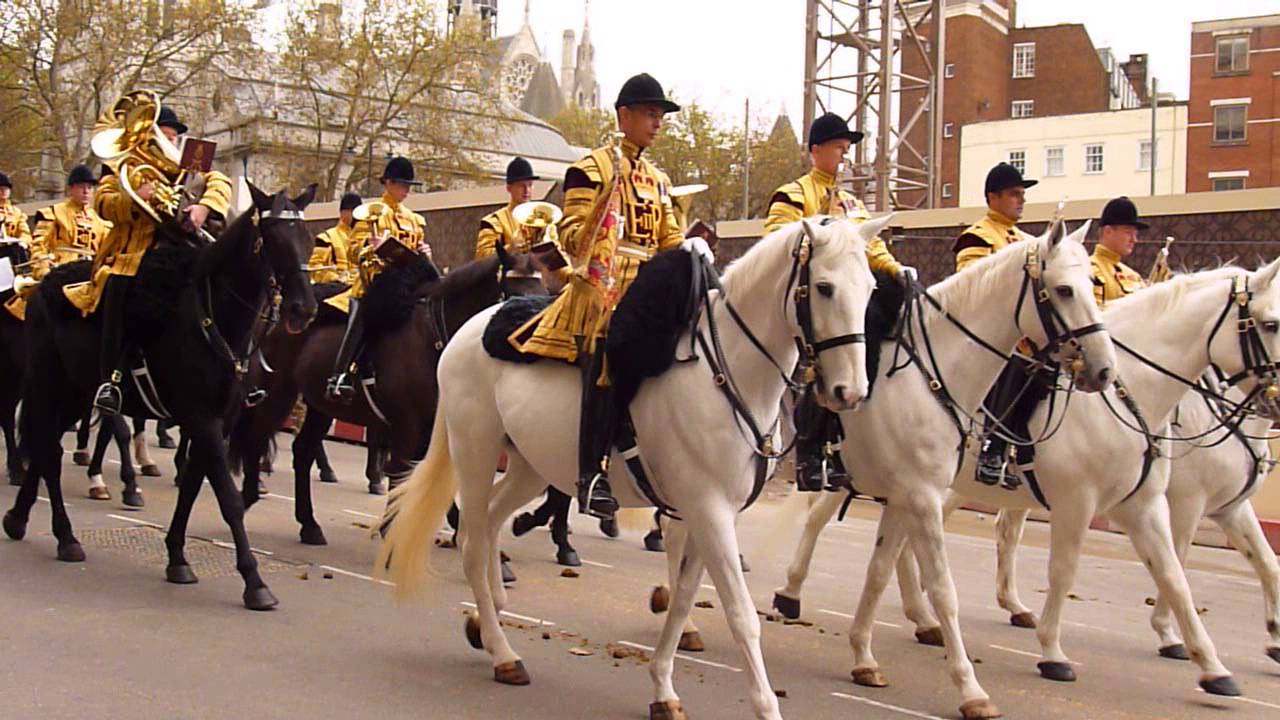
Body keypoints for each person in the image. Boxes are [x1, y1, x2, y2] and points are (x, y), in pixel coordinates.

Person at [508, 73, 685, 519]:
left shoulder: (659, 180)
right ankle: (592, 474)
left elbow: (669, 239)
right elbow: (569, 230)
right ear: (624, 116)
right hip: (599, 286)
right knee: (608, 349)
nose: (657, 122)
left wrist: (687, 258)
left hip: (647, 285)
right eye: (649, 113)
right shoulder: (590, 168)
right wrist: (601, 228)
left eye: (660, 115)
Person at [765, 112, 916, 491]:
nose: (843, 156)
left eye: (846, 149)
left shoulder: (851, 204)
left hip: (844, 299)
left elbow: (874, 248)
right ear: (815, 150)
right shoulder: (794, 195)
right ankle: (809, 449)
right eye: (837, 147)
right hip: (809, 300)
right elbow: (775, 246)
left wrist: (898, 271)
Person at [81, 103, 232, 415]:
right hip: (133, 253)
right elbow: (104, 204)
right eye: (164, 136)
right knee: (120, 296)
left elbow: (220, 182)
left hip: (183, 251)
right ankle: (111, 380)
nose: (170, 142)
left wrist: (204, 207)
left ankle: (234, 367)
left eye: (173, 137)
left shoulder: (190, 161)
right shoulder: (123, 164)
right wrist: (138, 197)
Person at [955, 162, 1038, 488]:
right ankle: (994, 447)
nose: (1021, 200)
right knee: (1020, 363)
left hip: (1025, 332)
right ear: (993, 197)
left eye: (1022, 195)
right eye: (1014, 194)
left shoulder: (1030, 242)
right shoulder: (976, 236)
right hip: (987, 337)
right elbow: (971, 289)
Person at [324, 156, 431, 402]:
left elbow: (416, 247)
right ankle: (340, 374)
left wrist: (425, 251)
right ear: (388, 183)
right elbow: (353, 250)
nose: (406, 190)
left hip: (408, 284)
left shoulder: (415, 219)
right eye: (403, 184)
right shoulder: (368, 213)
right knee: (362, 313)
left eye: (409, 185)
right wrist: (372, 248)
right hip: (375, 283)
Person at [5, 165, 109, 321]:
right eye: (81, 187)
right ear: (70, 189)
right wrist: (43, 272)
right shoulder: (54, 213)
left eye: (90, 187)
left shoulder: (102, 221)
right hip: (60, 270)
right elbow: (39, 245)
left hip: (90, 274)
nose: (86, 191)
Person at [476, 157, 541, 258]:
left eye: (530, 185)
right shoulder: (494, 222)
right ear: (509, 188)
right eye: (521, 185)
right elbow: (482, 258)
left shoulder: (542, 220)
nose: (527, 190)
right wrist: (510, 248)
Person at [1090, 196, 1148, 307]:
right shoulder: (1090, 271)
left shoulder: (1134, 275)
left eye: (1135, 234)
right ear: (1108, 231)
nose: (1134, 239)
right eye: (1128, 232)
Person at [309, 192, 361, 285]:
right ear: (342, 213)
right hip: (337, 288)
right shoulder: (327, 237)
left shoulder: (366, 237)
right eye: (352, 211)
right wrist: (336, 278)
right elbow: (315, 268)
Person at [0, 172, 32, 248]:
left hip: (9, 252)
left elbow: (25, 233)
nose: (4, 191)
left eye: (6, 188)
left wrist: (23, 242)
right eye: (0, 188)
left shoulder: (16, 212)